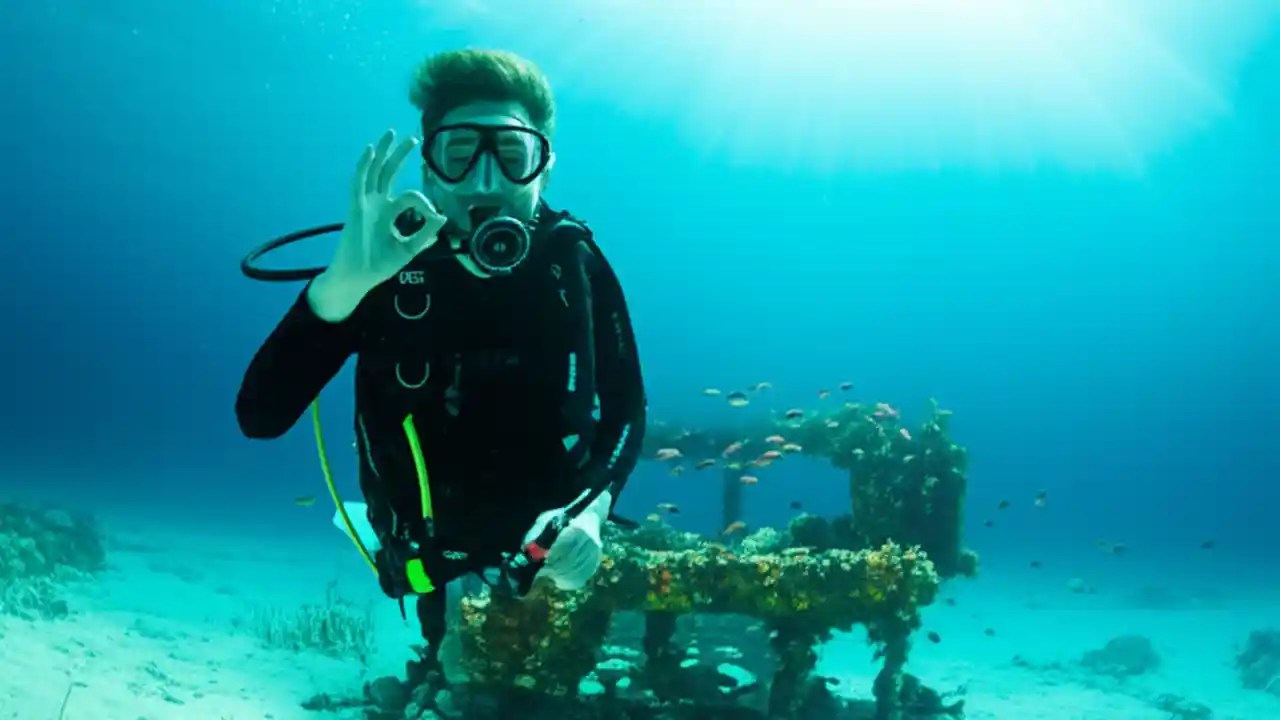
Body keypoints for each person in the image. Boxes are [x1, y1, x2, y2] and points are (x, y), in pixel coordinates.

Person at [235, 49, 647, 675]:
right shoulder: (386, 268)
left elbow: (626, 410)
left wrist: (594, 508)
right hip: (428, 548)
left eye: (513, 154)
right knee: (447, 669)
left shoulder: (576, 266)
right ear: (428, 169)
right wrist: (342, 284)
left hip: (550, 540)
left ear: (545, 167)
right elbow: (260, 416)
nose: (486, 182)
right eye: (459, 153)